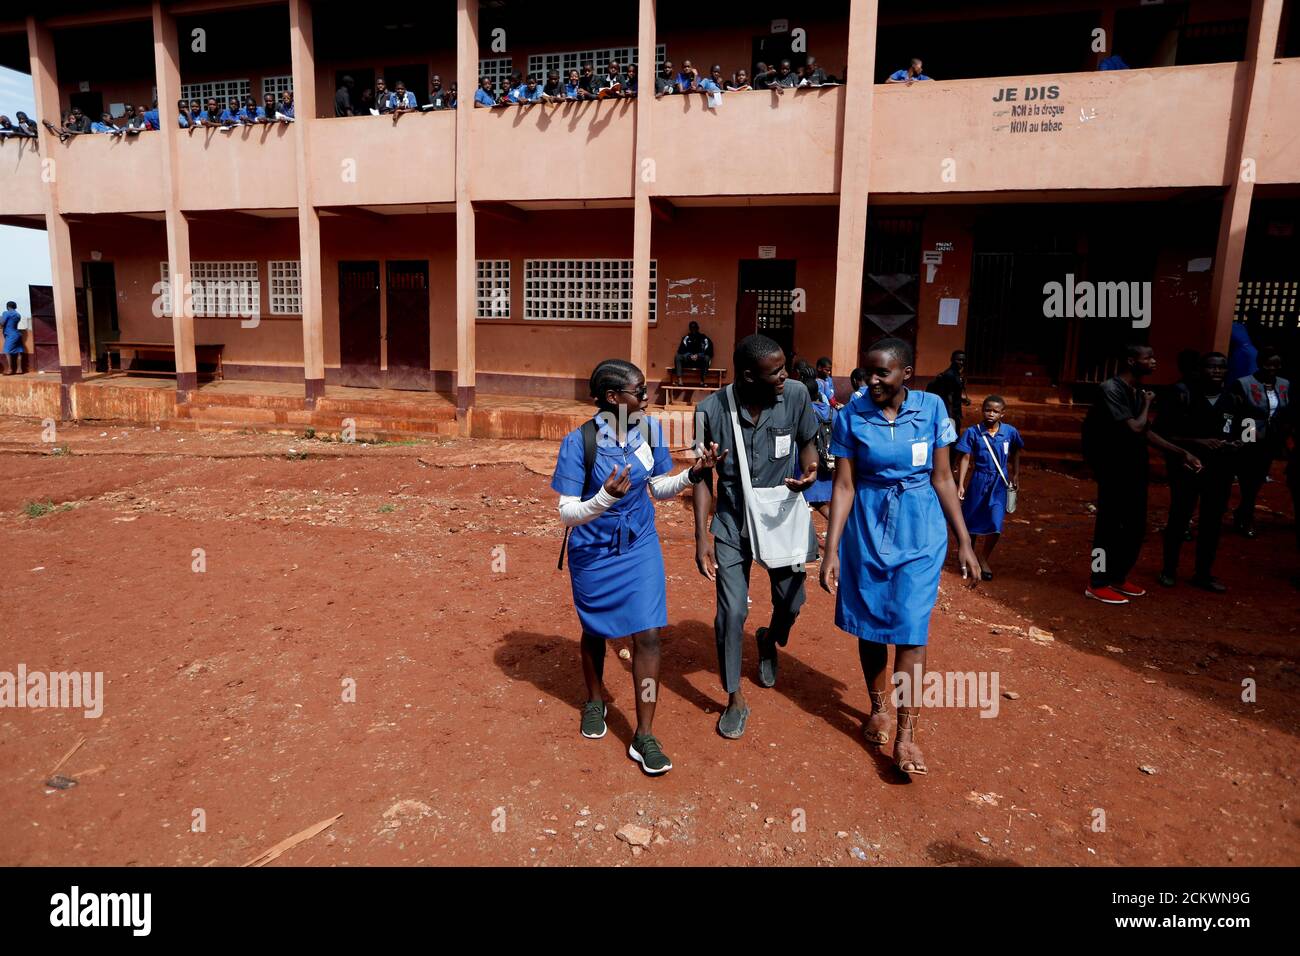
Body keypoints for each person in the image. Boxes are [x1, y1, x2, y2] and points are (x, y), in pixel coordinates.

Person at [551, 359, 722, 775]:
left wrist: (691, 476)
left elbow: (657, 488)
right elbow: (567, 513)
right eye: (639, 391)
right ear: (613, 398)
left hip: (640, 546)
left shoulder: (649, 431)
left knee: (647, 633)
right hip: (593, 551)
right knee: (596, 629)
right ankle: (595, 701)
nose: (647, 397)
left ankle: (644, 735)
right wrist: (605, 498)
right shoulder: (581, 443)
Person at [820, 337, 979, 777]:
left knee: (911, 629)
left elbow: (944, 478)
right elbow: (845, 486)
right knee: (870, 625)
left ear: (905, 373)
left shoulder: (932, 410)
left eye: (881, 373)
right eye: (867, 372)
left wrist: (963, 540)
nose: (871, 380)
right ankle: (878, 709)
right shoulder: (850, 416)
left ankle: (907, 736)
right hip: (867, 527)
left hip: (919, 528)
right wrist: (831, 549)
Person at [692, 334, 820, 739]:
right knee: (731, 612)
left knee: (791, 600)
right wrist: (700, 537)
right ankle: (734, 697)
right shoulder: (709, 411)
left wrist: (811, 470)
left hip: (782, 517)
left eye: (785, 367)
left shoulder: (797, 395)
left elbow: (807, 441)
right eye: (776, 371)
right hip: (731, 522)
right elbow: (700, 478)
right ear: (749, 375)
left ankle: (769, 638)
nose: (785, 375)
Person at [1082, 344, 1202, 604]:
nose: (1154, 362)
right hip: (1113, 469)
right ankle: (1097, 581)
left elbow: (1147, 433)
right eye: (1148, 358)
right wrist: (1147, 403)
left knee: (1135, 526)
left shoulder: (1135, 391)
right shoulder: (1111, 389)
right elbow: (1136, 427)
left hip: (1134, 468)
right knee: (1108, 527)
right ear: (1131, 360)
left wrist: (1181, 453)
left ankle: (1117, 576)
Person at [1156, 351, 1241, 592]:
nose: (1217, 371)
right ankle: (1168, 570)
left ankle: (1203, 574)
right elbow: (1162, 433)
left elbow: (1245, 429)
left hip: (1220, 471)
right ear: (1200, 369)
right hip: (1187, 467)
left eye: (1221, 367)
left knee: (1212, 523)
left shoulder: (1232, 398)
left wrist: (1239, 443)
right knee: (1179, 518)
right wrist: (1198, 442)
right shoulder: (1182, 394)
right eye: (1212, 367)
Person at [954, 395, 1023, 580]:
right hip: (978, 480)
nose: (990, 414)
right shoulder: (973, 432)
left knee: (995, 522)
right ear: (982, 410)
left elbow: (1016, 450)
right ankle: (970, 557)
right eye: (987, 410)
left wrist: (1015, 474)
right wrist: (961, 484)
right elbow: (966, 458)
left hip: (1000, 483)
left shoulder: (1010, 432)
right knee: (972, 520)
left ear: (1002, 413)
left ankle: (984, 558)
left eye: (995, 411)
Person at [1232, 346, 1291, 538]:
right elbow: (1239, 412)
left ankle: (1243, 510)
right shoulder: (1244, 383)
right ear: (1259, 364)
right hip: (1249, 432)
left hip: (1272, 437)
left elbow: (1284, 411)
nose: (1272, 368)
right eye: (1268, 364)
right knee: (1248, 475)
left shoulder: (1284, 384)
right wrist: (1248, 434)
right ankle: (1246, 515)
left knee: (1258, 476)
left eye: (1276, 365)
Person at [797, 363, 835, 523]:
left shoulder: (805, 412)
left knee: (814, 500)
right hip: (826, 461)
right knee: (820, 501)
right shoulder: (831, 410)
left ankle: (839, 529)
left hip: (807, 463)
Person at [926, 349, 970, 431]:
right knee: (951, 438)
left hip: (954, 411)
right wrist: (950, 417)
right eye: (958, 360)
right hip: (950, 412)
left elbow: (953, 393)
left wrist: (962, 400)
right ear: (952, 360)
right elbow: (947, 395)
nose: (961, 362)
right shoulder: (950, 375)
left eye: (963, 360)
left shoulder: (956, 374)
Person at [673, 320, 714, 385]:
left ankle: (702, 381)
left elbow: (709, 351)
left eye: (695, 328)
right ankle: (680, 380)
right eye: (692, 328)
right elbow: (681, 350)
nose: (693, 330)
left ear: (698, 328)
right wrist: (690, 355)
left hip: (700, 362)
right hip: (688, 361)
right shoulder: (686, 338)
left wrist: (698, 355)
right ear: (690, 329)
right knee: (677, 357)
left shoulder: (704, 338)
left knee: (707, 358)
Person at [2, 301, 24, 375]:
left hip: (10, 334)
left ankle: (10, 370)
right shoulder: (18, 315)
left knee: (7, 351)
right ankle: (19, 369)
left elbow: (2, 323)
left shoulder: (6, 313)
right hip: (17, 334)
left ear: (8, 306)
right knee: (19, 352)